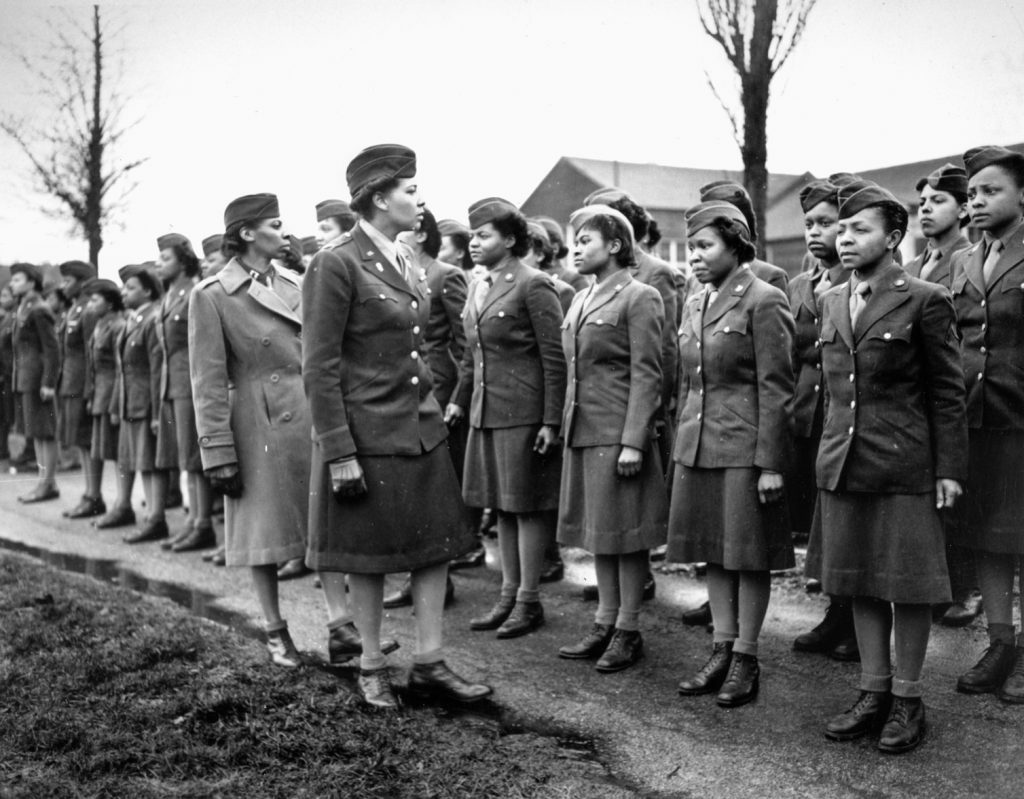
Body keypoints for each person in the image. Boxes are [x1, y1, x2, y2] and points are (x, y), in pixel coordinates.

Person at [303, 145, 489, 709]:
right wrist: (340, 452)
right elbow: (319, 366)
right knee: (369, 556)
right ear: (380, 199)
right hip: (368, 434)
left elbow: (418, 345)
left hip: (421, 428)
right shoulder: (336, 262)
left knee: (434, 548)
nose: (420, 198)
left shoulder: (405, 257)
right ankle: (371, 665)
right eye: (410, 189)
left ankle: (430, 663)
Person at [816, 181, 966, 753]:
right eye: (842, 229)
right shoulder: (833, 299)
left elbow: (947, 393)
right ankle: (873, 690)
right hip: (845, 463)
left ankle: (908, 699)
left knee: (908, 586)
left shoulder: (926, 298)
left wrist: (949, 469)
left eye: (861, 229)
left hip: (905, 464)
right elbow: (835, 394)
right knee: (859, 580)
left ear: (894, 237)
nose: (845, 239)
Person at [670, 202, 794, 708]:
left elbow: (777, 389)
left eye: (705, 246)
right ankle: (721, 647)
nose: (695, 256)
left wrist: (771, 464)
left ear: (735, 245)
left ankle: (746, 656)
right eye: (691, 247)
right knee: (714, 551)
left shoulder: (764, 299)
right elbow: (689, 383)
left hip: (744, 448)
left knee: (747, 555)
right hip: (699, 446)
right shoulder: (694, 300)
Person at [190, 193, 310, 667]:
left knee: (325, 523)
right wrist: (217, 452)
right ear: (246, 233)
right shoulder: (213, 295)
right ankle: (275, 630)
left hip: (307, 413)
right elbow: (206, 382)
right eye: (275, 225)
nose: (284, 232)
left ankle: (342, 626)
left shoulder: (296, 282)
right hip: (254, 423)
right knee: (262, 534)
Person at [446, 196, 567, 640]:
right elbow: (471, 354)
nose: (474, 243)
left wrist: (551, 421)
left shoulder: (534, 284)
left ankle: (529, 600)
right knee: (502, 507)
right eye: (472, 236)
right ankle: (509, 594)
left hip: (523, 414)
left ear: (511, 240)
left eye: (484, 235)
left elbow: (555, 359)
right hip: (486, 411)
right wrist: (460, 400)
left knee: (526, 508)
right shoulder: (480, 284)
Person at [557, 205, 667, 672]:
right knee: (600, 535)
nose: (575, 249)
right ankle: (605, 622)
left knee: (625, 536)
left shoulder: (640, 296)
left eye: (585, 240)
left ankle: (628, 629)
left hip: (618, 433)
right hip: (583, 431)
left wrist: (634, 441)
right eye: (574, 240)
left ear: (616, 245)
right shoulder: (582, 298)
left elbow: (648, 374)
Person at [952, 145, 1024, 704]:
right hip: (975, 423)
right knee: (987, 538)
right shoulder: (963, 261)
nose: (976, 201)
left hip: (1021, 423)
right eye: (972, 193)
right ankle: (1001, 643)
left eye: (990, 190)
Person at [904, 164, 979, 629]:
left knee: (960, 487)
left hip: (961, 387)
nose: (926, 210)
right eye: (922, 203)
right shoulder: (912, 268)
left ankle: (967, 586)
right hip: (918, 392)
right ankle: (938, 581)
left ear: (964, 209)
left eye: (938, 201)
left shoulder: (968, 259)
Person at [383, 208, 468, 606]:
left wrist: (459, 398)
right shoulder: (396, 271)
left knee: (433, 491)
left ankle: (438, 579)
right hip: (405, 390)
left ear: (419, 233)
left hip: (439, 390)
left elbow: (467, 346)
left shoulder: (445, 274)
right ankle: (417, 577)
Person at [789, 181, 858, 662]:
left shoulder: (857, 281)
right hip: (807, 415)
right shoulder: (800, 285)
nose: (815, 232)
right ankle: (837, 611)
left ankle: (856, 620)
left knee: (847, 518)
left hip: (843, 416)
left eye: (826, 223)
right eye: (809, 223)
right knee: (823, 519)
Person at [153, 233, 216, 553]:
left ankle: (203, 524)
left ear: (183, 262)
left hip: (191, 384)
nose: (158, 263)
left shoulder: (193, 292)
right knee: (185, 457)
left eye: (165, 258)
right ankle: (193, 522)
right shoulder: (171, 294)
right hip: (173, 384)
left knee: (194, 456)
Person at [116, 264, 169, 544]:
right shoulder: (135, 319)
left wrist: (157, 412)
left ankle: (156, 518)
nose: (124, 293)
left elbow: (157, 368)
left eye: (131, 287)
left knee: (151, 463)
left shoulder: (152, 319)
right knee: (142, 461)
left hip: (147, 402)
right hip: (132, 401)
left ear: (148, 291)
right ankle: (152, 517)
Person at [9, 263, 60, 503]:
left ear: (31, 282)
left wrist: (48, 382)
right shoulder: (25, 306)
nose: (12, 284)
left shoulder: (39, 309)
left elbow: (52, 349)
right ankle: (44, 482)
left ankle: (48, 483)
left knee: (45, 433)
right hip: (26, 378)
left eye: (17, 280)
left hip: (38, 379)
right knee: (37, 432)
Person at [56, 260, 102, 516]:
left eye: (68, 280)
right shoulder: (74, 309)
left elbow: (90, 353)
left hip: (82, 384)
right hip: (70, 382)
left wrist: (89, 390)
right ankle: (89, 493)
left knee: (87, 440)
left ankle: (94, 496)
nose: (63, 285)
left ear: (83, 283)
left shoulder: (88, 311)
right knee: (81, 442)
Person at [83, 279, 128, 519]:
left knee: (119, 452)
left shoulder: (118, 326)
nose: (90, 305)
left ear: (110, 303)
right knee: (101, 449)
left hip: (112, 395)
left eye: (94, 300)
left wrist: (115, 404)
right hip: (100, 394)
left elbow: (121, 369)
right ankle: (97, 498)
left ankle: (123, 504)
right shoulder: (101, 325)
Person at [533, 215, 590, 291]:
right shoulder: (528, 277)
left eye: (538, 244)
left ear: (555, 248)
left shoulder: (574, 280)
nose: (531, 249)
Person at [0, 285, 15, 461]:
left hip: (9, 371)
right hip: (4, 372)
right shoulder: (5, 318)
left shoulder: (13, 317)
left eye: (5, 295)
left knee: (7, 414)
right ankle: (2, 449)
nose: (2, 299)